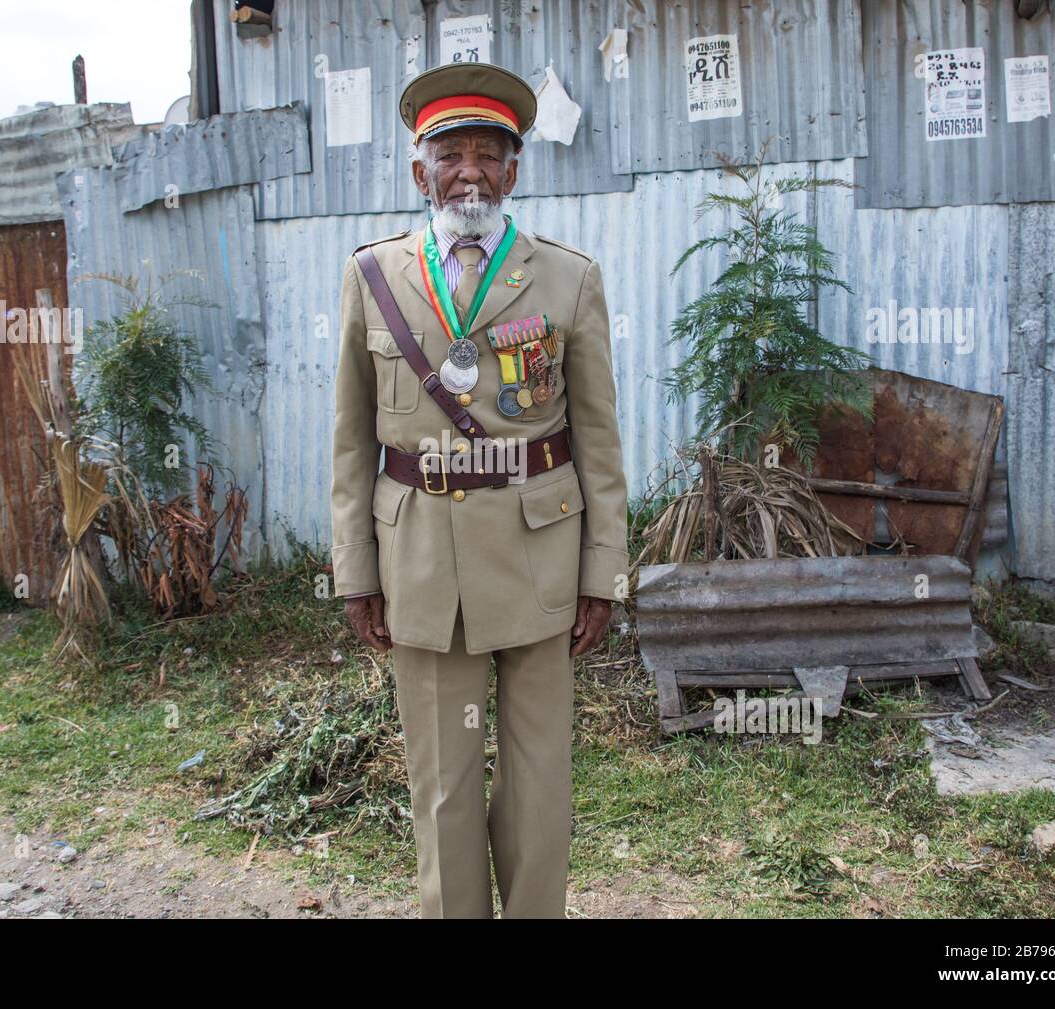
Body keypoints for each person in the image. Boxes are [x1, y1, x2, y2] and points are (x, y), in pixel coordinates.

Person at [330, 62, 628, 918]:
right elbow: (351, 437)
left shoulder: (569, 279)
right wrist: (356, 569)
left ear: (514, 171)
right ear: (418, 172)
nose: (469, 172)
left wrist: (602, 573)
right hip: (419, 563)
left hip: (540, 558)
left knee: (540, 788)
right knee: (443, 790)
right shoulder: (373, 276)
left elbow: (599, 440)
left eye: (487, 155)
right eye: (449, 154)